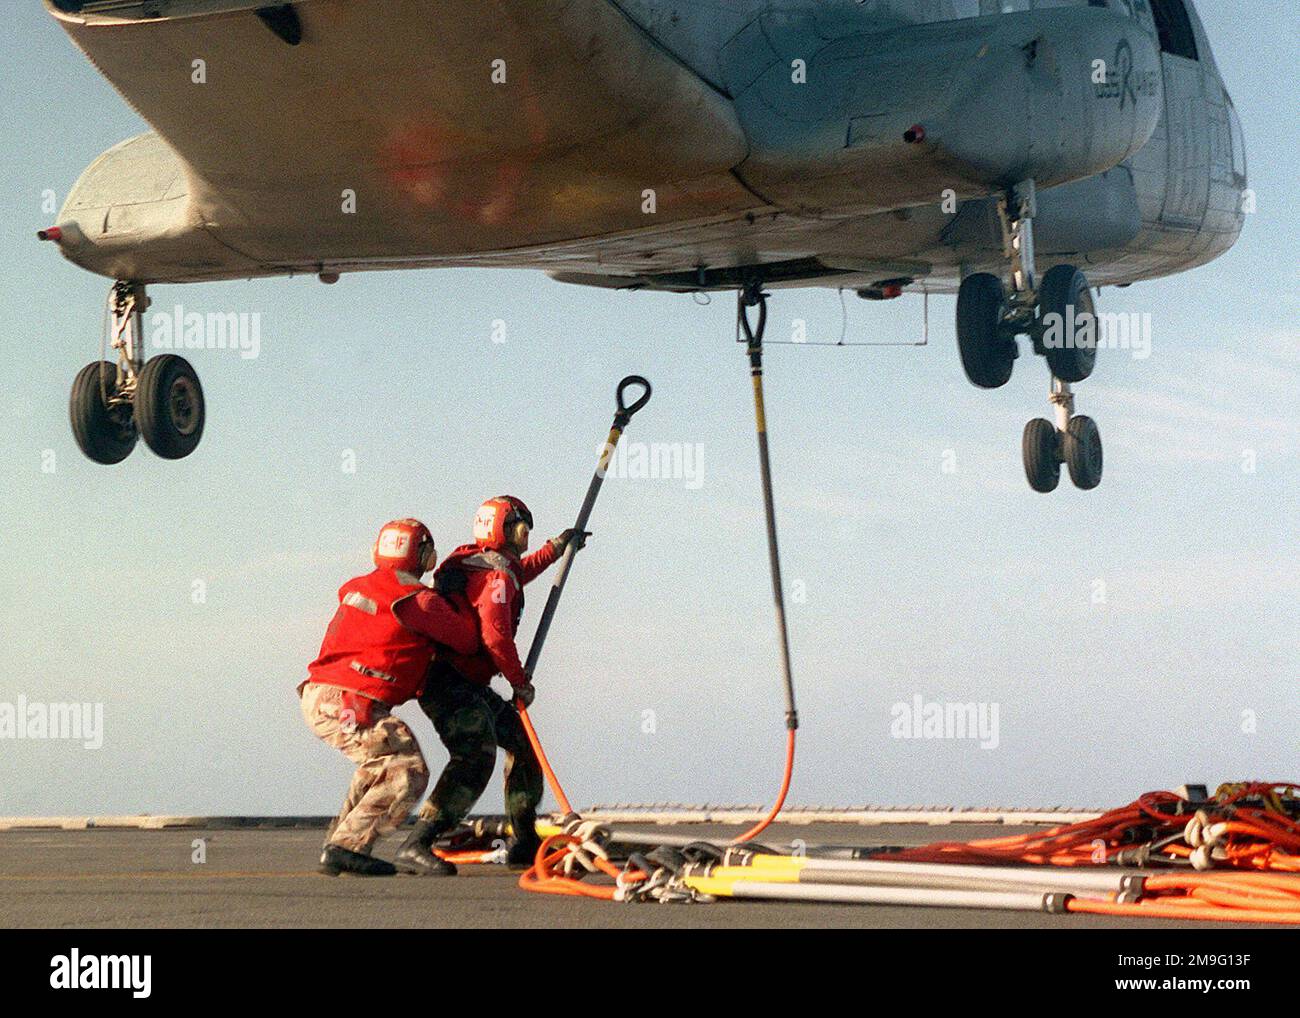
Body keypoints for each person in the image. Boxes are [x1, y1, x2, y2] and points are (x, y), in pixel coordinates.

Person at [398, 496, 585, 872]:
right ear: (509, 528)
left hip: (461, 682)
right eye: (524, 527)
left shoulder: (473, 563)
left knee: (522, 746)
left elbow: (516, 572)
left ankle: (524, 840)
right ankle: (418, 842)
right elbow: (496, 636)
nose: (526, 535)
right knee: (475, 756)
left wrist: (555, 550)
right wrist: (521, 684)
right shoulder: (496, 574)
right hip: (450, 684)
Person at [299, 519, 479, 877]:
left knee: (379, 763)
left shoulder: (359, 587)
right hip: (352, 700)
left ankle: (340, 844)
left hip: (320, 695)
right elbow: (467, 641)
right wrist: (454, 596)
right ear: (426, 557)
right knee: (408, 770)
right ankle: (346, 847)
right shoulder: (419, 600)